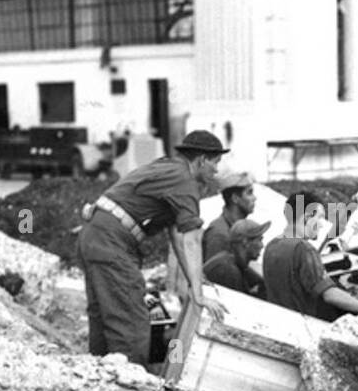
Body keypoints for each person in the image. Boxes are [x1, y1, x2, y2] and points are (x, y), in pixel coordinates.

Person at [77, 130, 228, 365]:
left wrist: (194, 280)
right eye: (215, 162)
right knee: (131, 324)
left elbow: (177, 236)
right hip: (112, 240)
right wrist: (198, 295)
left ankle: (99, 378)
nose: (216, 170)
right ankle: (128, 388)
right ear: (201, 160)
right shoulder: (184, 181)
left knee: (104, 316)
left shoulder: (168, 169)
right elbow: (191, 239)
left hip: (96, 233)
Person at [263, 190, 358, 321]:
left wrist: (350, 297)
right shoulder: (304, 250)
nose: (321, 225)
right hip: (311, 326)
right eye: (319, 218)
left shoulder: (271, 247)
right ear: (306, 218)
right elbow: (330, 294)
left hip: (285, 323)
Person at [202, 218, 269, 298]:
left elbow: (260, 282)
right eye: (259, 240)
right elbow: (239, 305)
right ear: (245, 242)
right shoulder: (228, 270)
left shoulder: (235, 261)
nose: (262, 245)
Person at [203, 171, 257, 261]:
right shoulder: (219, 234)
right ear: (235, 198)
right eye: (249, 193)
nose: (254, 198)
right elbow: (217, 272)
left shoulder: (240, 229)